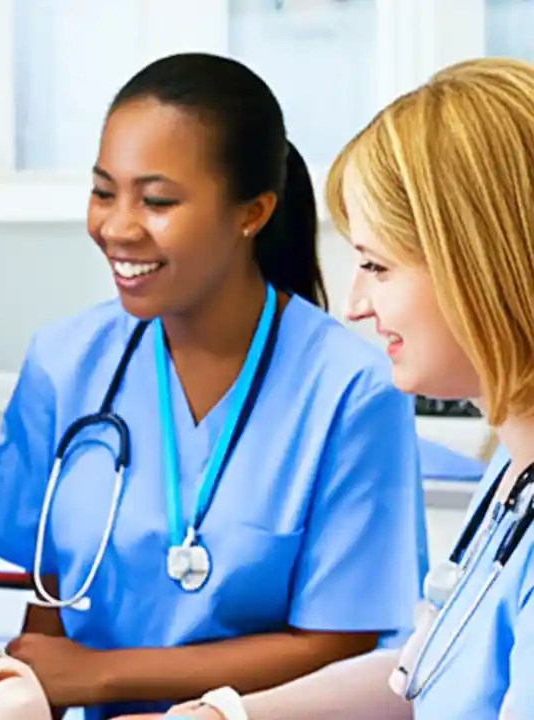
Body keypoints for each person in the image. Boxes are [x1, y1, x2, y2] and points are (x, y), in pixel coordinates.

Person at [0, 53, 428, 719]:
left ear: (252, 212)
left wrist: (101, 676)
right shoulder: (64, 364)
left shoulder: (352, 390)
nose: (117, 226)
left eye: (157, 201)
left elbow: (341, 641)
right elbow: (52, 603)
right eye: (103, 192)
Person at [121, 56, 534, 720]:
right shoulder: (512, 476)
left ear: (477, 264)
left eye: (376, 266)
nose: (354, 304)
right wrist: (222, 716)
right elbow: (421, 675)